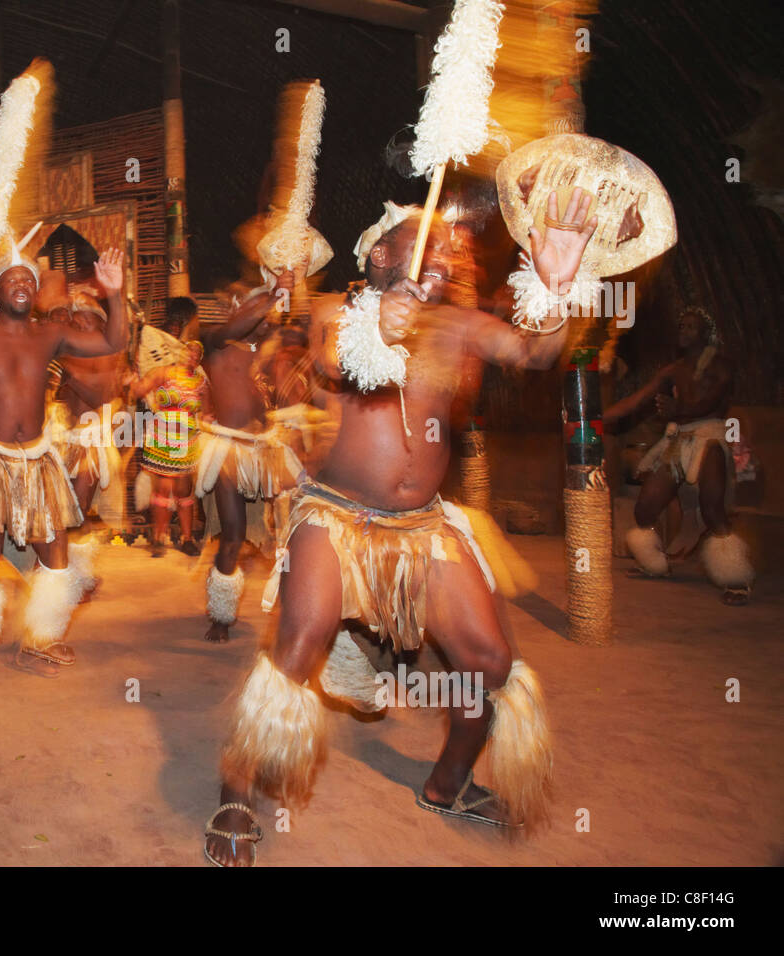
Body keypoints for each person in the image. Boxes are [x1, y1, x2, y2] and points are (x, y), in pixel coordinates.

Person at [204, 189, 596, 865]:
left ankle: (447, 784)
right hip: (335, 517)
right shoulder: (335, 312)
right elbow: (335, 361)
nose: (442, 253)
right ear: (381, 254)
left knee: (489, 662)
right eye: (424, 241)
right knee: (296, 651)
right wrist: (381, 326)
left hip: (424, 526)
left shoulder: (461, 325)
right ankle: (236, 790)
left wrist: (556, 290)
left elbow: (535, 353)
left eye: (449, 244)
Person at [0, 245, 127, 684]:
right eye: (12, 280)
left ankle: (41, 635)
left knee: (55, 552)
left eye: (29, 281)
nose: (22, 286)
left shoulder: (46, 335)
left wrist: (115, 294)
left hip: (37, 459)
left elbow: (113, 341)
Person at [603, 306, 751, 604]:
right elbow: (636, 400)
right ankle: (655, 564)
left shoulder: (721, 366)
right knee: (644, 510)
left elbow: (712, 402)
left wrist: (678, 411)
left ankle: (736, 580)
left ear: (705, 333)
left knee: (712, 510)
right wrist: (593, 418)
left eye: (691, 327)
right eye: (681, 326)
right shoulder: (673, 370)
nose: (683, 331)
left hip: (709, 437)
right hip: (678, 440)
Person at [195, 270, 303, 642]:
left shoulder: (269, 352)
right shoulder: (217, 343)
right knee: (234, 535)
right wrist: (274, 294)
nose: (265, 319)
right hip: (229, 452)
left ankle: (300, 609)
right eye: (255, 311)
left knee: (293, 534)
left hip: (267, 451)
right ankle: (221, 615)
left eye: (268, 313)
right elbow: (236, 326)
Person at [48, 289, 128, 597]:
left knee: (76, 512)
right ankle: (77, 575)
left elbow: (100, 398)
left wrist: (68, 373)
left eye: (85, 323)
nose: (78, 327)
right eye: (75, 323)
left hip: (90, 440)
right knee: (60, 513)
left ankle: (71, 579)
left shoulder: (106, 356)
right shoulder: (66, 353)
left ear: (99, 326)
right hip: (59, 438)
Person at [129, 337, 208, 558]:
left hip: (187, 439)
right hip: (161, 436)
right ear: (180, 352)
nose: (192, 355)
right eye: (189, 350)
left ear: (199, 360)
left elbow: (208, 413)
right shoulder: (163, 373)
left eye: (197, 353)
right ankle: (158, 538)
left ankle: (187, 539)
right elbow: (138, 390)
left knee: (183, 490)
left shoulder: (200, 382)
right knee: (162, 490)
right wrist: (131, 381)